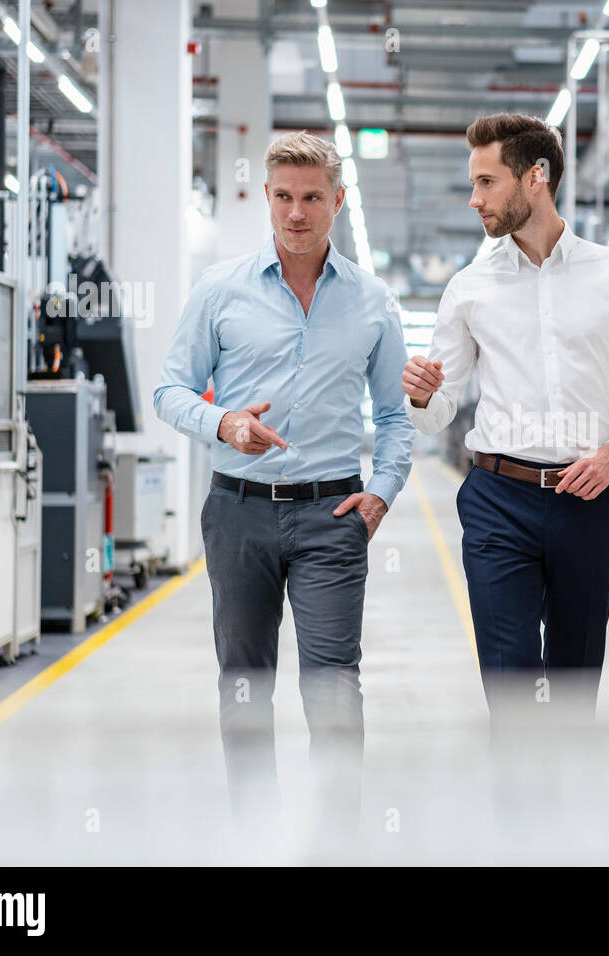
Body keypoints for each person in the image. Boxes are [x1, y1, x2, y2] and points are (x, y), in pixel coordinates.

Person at [154, 130, 414, 841]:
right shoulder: (221, 291)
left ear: (336, 201)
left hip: (333, 514)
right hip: (237, 512)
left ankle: (334, 845)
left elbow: (394, 416)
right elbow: (169, 391)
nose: (294, 214)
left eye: (309, 199)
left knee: (333, 687)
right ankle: (255, 835)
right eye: (281, 198)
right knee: (244, 682)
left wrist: (382, 492)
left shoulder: (372, 303)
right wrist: (224, 424)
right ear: (267, 196)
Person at [401, 113, 609, 726]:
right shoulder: (470, 287)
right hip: (498, 500)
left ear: (536, 176)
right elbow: (436, 416)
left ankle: (567, 813)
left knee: (574, 686)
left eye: (487, 182)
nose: (475, 199)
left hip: (588, 500)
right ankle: (518, 818)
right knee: (509, 685)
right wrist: (423, 397)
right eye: (473, 184)